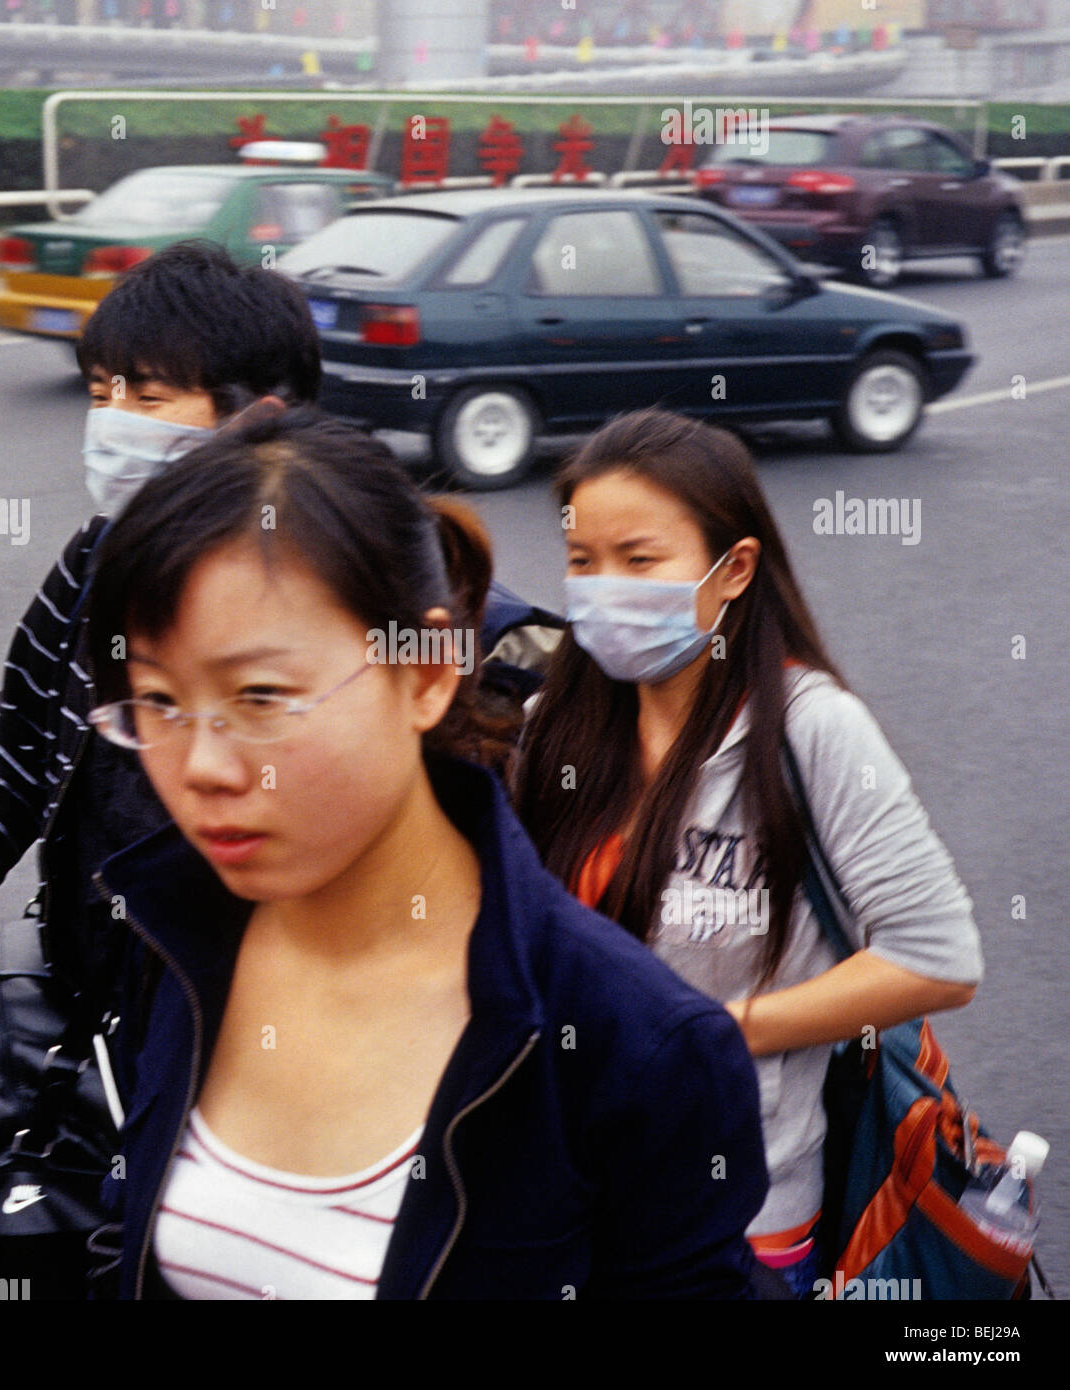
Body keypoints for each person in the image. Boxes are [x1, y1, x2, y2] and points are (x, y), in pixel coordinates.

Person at [81, 407, 769, 1300]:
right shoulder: (177, 932)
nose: (202, 768)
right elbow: (122, 1241)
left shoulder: (630, 1046)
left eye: (259, 697)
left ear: (429, 672)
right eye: (159, 702)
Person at [512, 409, 984, 1298]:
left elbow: (938, 962)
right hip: (562, 1192)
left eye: (639, 560)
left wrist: (719, 1036)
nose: (603, 588)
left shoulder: (811, 733)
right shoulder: (551, 729)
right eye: (583, 562)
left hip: (740, 1205)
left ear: (734, 569)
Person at [0, 240, 322, 1012]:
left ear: (261, 413)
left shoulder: (329, 583)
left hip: (260, 1009)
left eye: (148, 398)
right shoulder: (100, 555)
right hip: (100, 988)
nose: (111, 423)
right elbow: (21, 731)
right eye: (101, 393)